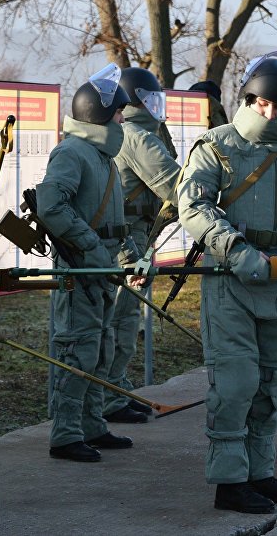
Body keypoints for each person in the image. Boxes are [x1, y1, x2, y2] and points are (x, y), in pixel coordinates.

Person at [177, 51, 277, 514]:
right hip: (229, 283)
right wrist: (239, 251)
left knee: (271, 383)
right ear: (249, 98)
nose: (273, 114)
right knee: (235, 382)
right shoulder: (216, 146)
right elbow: (194, 207)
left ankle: (260, 473)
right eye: (265, 103)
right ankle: (229, 481)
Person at [38, 72, 135, 463]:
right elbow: (51, 206)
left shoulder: (102, 157)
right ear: (99, 115)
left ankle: (92, 424)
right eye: (118, 115)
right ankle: (65, 434)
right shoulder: (72, 152)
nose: (122, 122)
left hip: (102, 268)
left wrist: (123, 249)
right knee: (76, 349)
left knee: (100, 347)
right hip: (80, 270)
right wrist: (92, 247)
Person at [102, 67, 181, 425]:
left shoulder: (137, 133)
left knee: (123, 323)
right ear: (136, 101)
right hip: (127, 243)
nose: (156, 107)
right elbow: (176, 187)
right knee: (118, 323)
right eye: (151, 100)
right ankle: (107, 397)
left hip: (134, 238)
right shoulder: (136, 136)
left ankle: (114, 391)